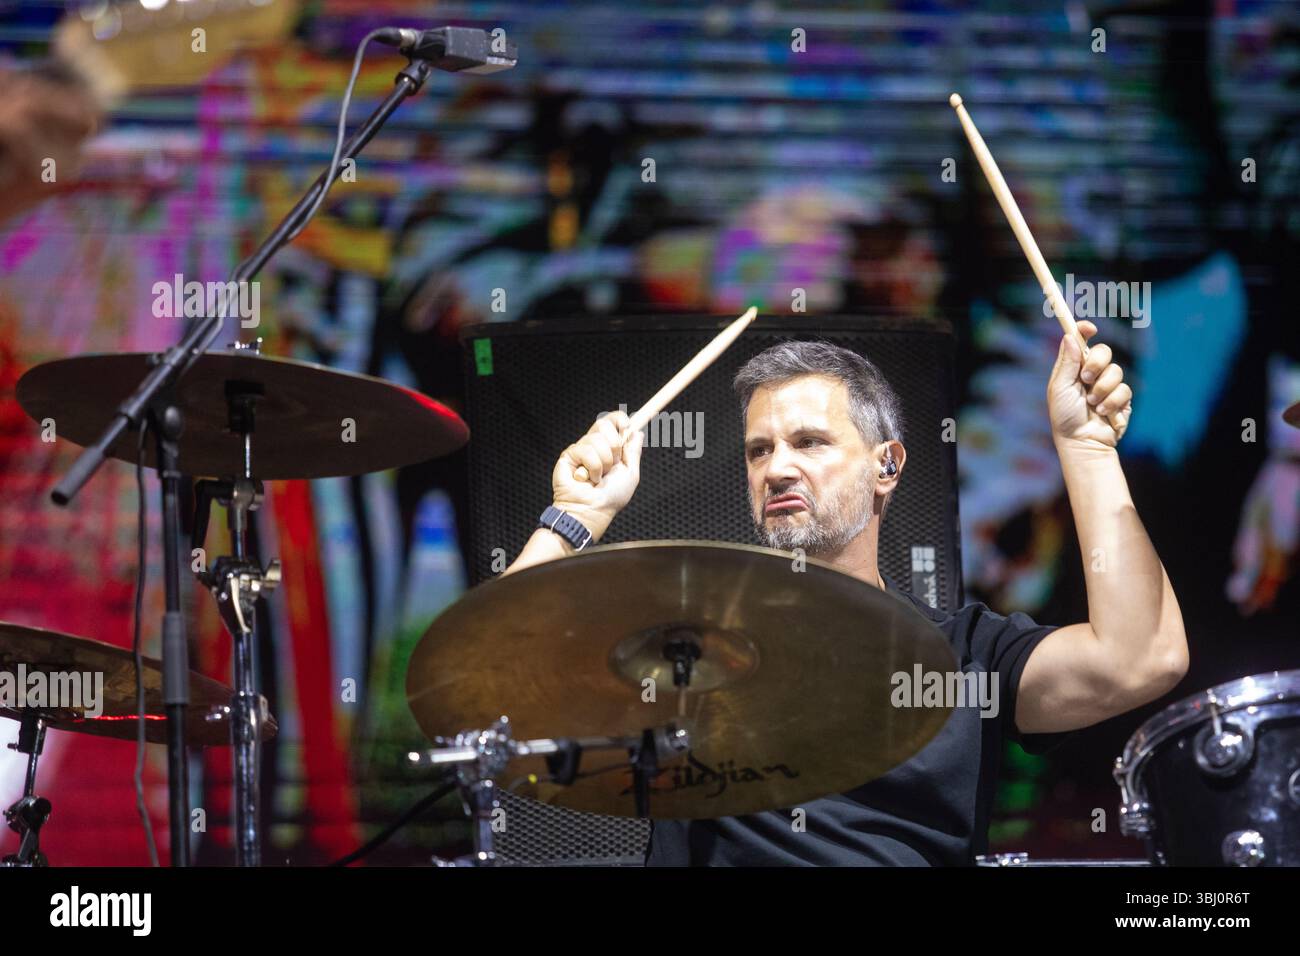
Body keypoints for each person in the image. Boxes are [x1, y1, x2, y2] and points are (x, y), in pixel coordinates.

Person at [503, 322, 1188, 865]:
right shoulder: (685, 646)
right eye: (759, 450)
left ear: (886, 465)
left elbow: (1141, 657)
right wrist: (577, 515)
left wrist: (1087, 448)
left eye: (809, 442)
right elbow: (495, 682)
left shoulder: (964, 656)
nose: (778, 468)